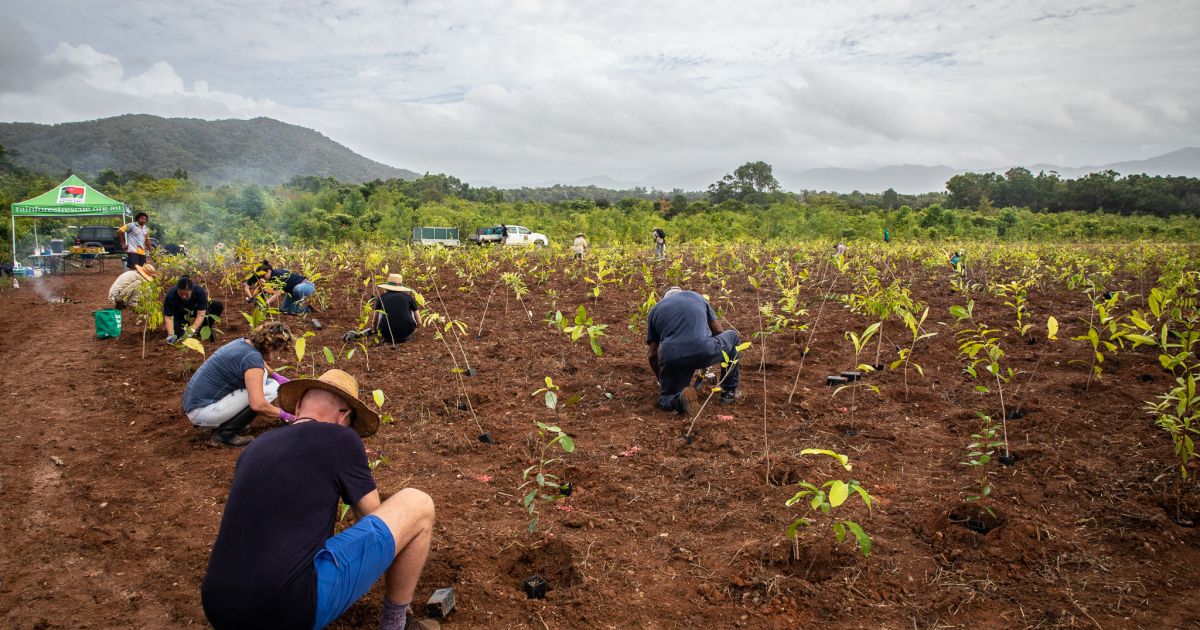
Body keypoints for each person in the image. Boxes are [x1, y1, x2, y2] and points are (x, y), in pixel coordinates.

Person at [201, 369, 435, 630]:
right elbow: (372, 518)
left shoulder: (255, 447)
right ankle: (395, 624)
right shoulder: (339, 438)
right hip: (284, 609)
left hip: (218, 607)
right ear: (344, 417)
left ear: (299, 406)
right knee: (418, 503)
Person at [182, 322, 297, 447]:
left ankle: (232, 423)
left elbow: (260, 363)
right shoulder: (252, 361)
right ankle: (225, 434)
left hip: (196, 404)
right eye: (278, 351)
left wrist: (275, 376)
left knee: (271, 382)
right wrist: (289, 416)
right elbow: (258, 404)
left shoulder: (244, 344)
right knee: (270, 390)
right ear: (270, 347)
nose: (278, 356)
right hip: (203, 412)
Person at [646, 287, 740, 413]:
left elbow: (652, 354)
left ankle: (679, 400)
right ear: (682, 293)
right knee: (732, 337)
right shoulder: (697, 297)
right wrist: (708, 357)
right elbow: (718, 331)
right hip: (703, 348)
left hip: (673, 357)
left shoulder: (655, 311)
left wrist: (662, 379)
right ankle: (728, 392)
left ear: (665, 300)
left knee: (666, 398)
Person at [344, 274, 421, 346]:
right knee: (409, 309)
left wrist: (375, 330)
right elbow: (419, 322)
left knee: (382, 310)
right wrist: (413, 327)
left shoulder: (382, 298)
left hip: (386, 334)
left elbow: (374, 321)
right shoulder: (408, 298)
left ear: (387, 287)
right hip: (406, 334)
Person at [244, 260, 320, 324]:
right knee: (284, 309)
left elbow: (277, 294)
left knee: (297, 289)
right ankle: (308, 309)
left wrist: (264, 304)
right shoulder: (269, 277)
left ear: (269, 271)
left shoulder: (277, 276)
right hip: (292, 293)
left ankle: (298, 306)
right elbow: (267, 291)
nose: (262, 278)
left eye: (263, 276)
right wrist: (254, 299)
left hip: (307, 286)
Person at [164, 276, 224, 343]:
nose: (183, 296)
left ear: (191, 290)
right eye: (181, 294)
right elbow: (169, 317)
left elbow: (201, 314)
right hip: (180, 314)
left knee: (217, 306)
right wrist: (171, 334)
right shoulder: (171, 295)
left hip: (195, 310)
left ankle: (202, 330)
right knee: (179, 337)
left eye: (186, 294)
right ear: (177, 290)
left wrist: (192, 330)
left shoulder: (199, 291)